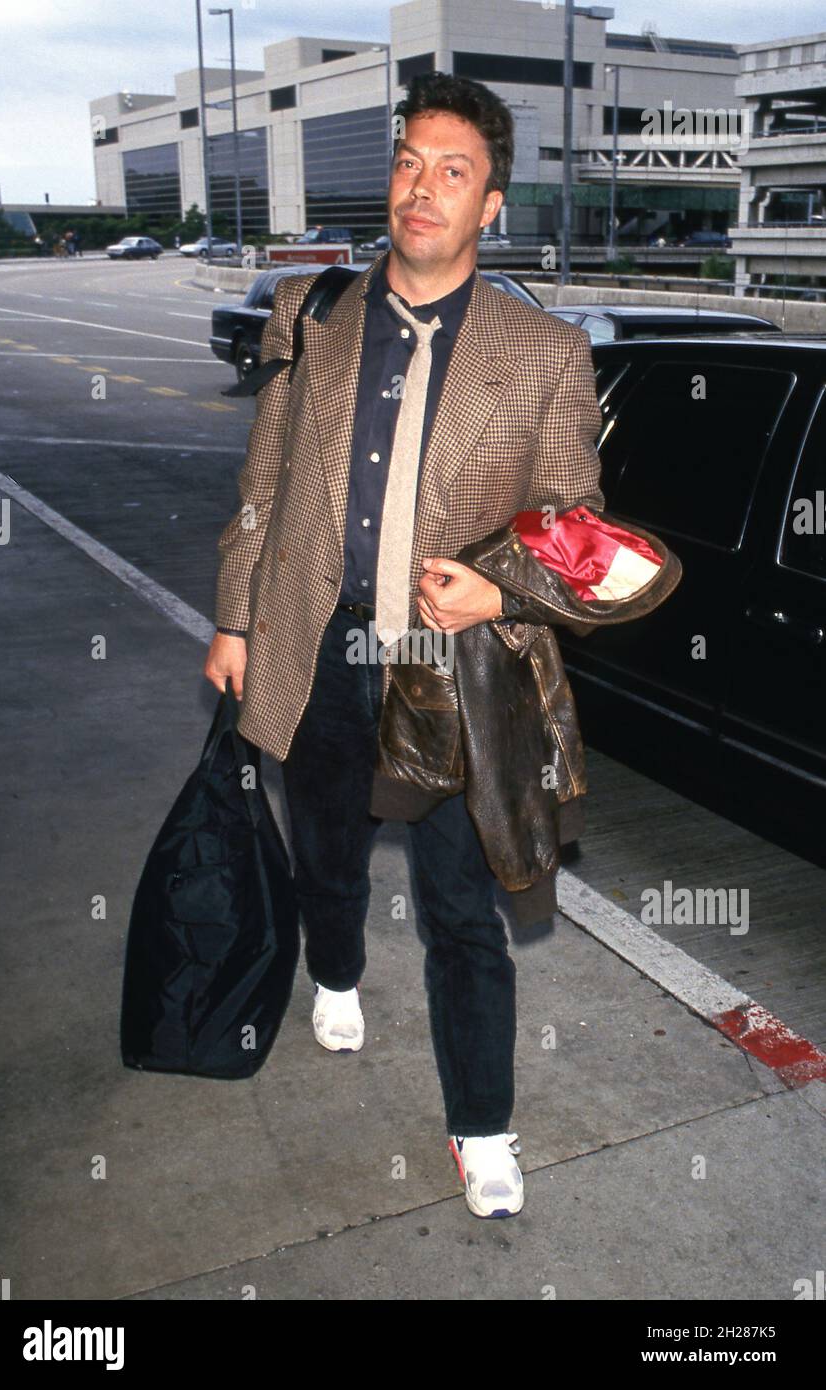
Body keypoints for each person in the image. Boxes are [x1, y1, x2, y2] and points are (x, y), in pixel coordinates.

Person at [203, 71, 604, 1219]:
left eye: (454, 172)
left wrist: (499, 589)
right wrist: (234, 619)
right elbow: (263, 488)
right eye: (408, 163)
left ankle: (481, 1125)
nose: (422, 190)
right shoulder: (315, 316)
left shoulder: (545, 352)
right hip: (321, 652)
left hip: (454, 677)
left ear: (492, 207)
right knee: (325, 856)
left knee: (459, 913)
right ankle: (333, 964)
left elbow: (570, 527)